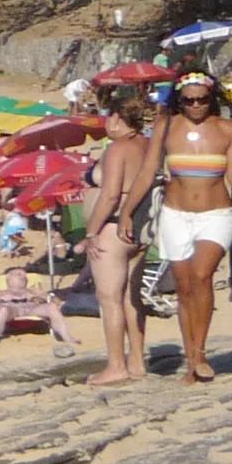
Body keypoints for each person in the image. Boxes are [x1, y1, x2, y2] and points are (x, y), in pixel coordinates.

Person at [143, 70, 232, 382]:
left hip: (216, 213)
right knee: (184, 288)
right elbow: (148, 169)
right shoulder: (167, 126)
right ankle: (191, 361)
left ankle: (200, 353)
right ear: (180, 100)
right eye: (189, 100)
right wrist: (125, 213)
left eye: (202, 99)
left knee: (202, 275)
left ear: (211, 98)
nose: (196, 106)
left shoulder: (227, 129)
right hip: (175, 213)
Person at [80, 96, 153, 387]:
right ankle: (137, 360)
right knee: (131, 296)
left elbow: (110, 194)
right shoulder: (147, 146)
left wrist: (90, 232)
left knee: (109, 298)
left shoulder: (118, 149)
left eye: (109, 117)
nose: (106, 123)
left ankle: (116, 365)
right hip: (141, 224)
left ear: (119, 119)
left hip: (113, 226)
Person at [0, 265, 78, 356]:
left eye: (25, 275)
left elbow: (58, 302)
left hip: (32, 310)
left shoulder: (34, 290)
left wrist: (42, 297)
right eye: (19, 274)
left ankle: (67, 337)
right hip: (11, 311)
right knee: (3, 309)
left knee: (52, 307)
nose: (24, 276)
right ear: (8, 276)